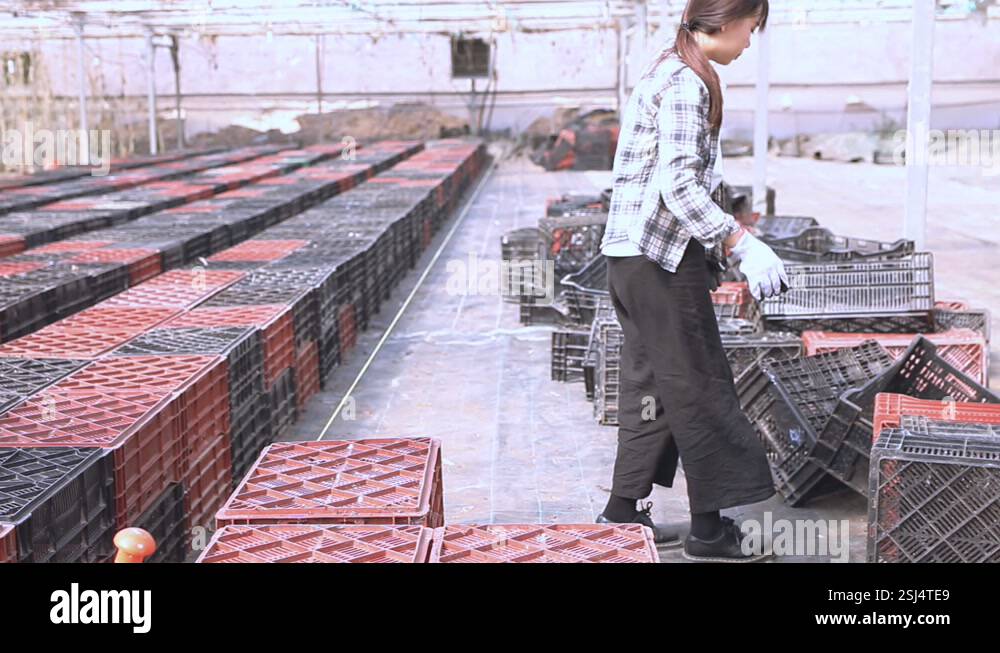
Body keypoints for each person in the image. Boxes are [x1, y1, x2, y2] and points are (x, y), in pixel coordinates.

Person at [596, 0, 787, 562]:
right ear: (726, 21)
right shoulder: (685, 83)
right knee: (699, 385)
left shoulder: (668, 69)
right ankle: (709, 531)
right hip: (660, 262)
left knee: (654, 386)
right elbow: (679, 188)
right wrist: (741, 243)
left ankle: (621, 512)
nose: (750, 43)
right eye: (751, 30)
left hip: (631, 259)